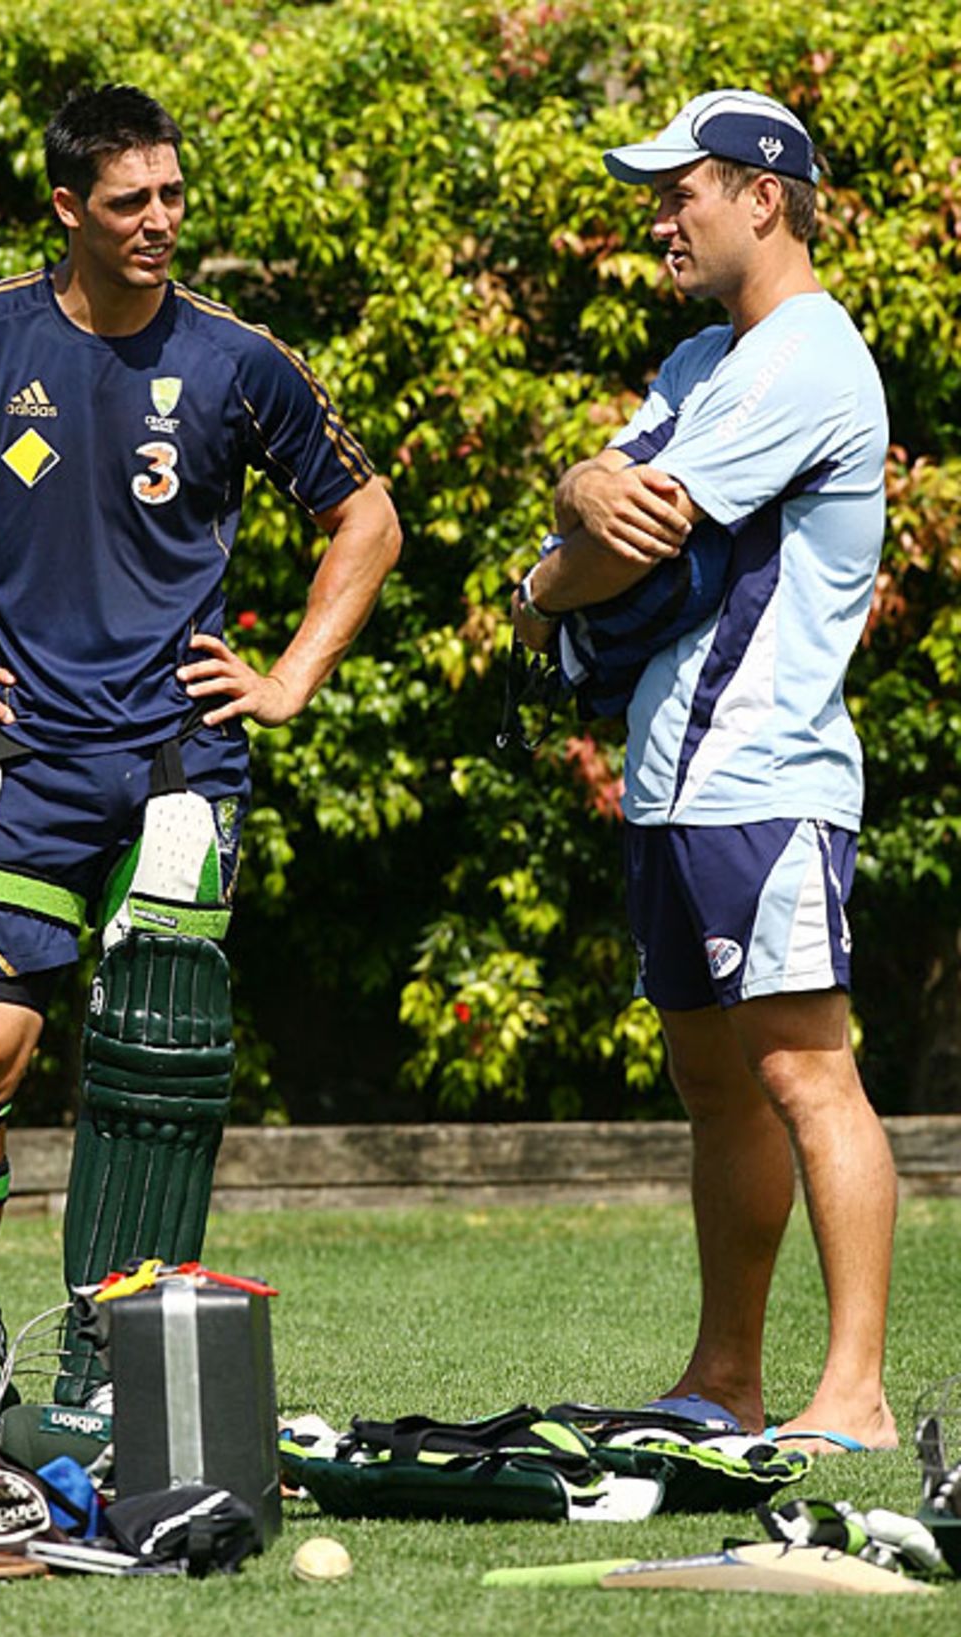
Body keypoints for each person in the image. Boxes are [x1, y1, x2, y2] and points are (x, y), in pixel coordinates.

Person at [0, 83, 402, 1318]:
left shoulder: (237, 359)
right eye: (130, 200)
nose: (157, 221)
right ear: (68, 207)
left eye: (172, 195)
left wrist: (290, 676)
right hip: (18, 754)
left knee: (153, 1062)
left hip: (179, 761)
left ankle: (109, 1375)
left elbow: (367, 516)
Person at [511, 90, 896, 1455]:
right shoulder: (700, 358)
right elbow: (598, 486)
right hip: (678, 780)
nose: (659, 215)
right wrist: (570, 495)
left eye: (682, 190)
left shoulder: (805, 357)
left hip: (769, 776)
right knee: (715, 1085)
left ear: (764, 197)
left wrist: (543, 588)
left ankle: (852, 1393)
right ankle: (725, 1376)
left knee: (807, 1074)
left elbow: (640, 533)